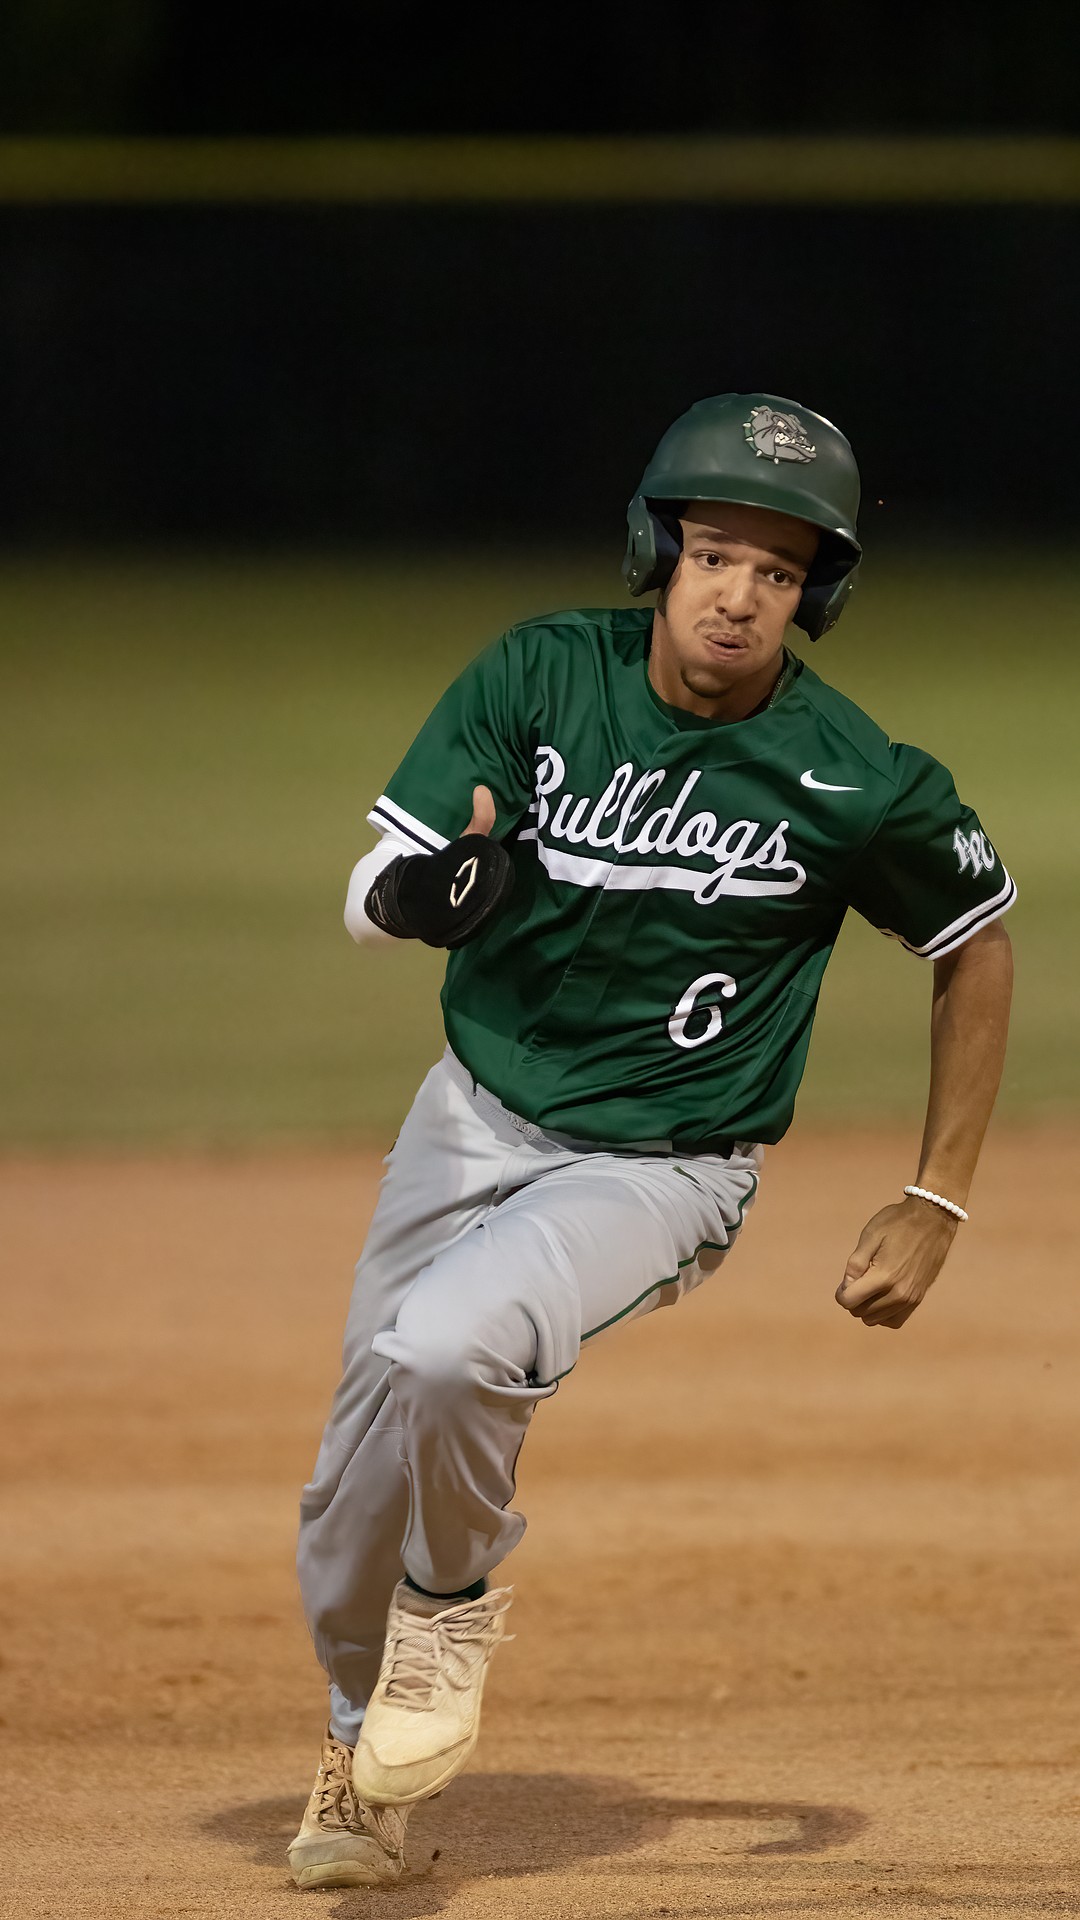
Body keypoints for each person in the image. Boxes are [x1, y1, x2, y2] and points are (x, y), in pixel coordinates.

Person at [286, 393, 1015, 1891]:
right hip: (468, 1116)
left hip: (666, 1163)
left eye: (778, 567)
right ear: (658, 553)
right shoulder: (543, 673)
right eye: (714, 552)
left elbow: (977, 938)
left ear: (815, 593)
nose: (739, 592)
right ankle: (362, 1760)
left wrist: (937, 1194)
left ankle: (451, 1613)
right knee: (352, 1488)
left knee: (451, 1349)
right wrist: (427, 897)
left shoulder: (852, 776)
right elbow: (372, 891)